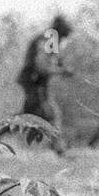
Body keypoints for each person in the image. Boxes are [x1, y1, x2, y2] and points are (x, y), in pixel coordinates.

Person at [17, 15, 74, 153]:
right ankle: (59, 148)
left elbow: (53, 59)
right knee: (51, 113)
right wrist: (62, 71)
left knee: (25, 116)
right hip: (34, 81)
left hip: (37, 82)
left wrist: (61, 66)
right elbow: (41, 66)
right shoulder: (49, 39)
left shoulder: (51, 39)